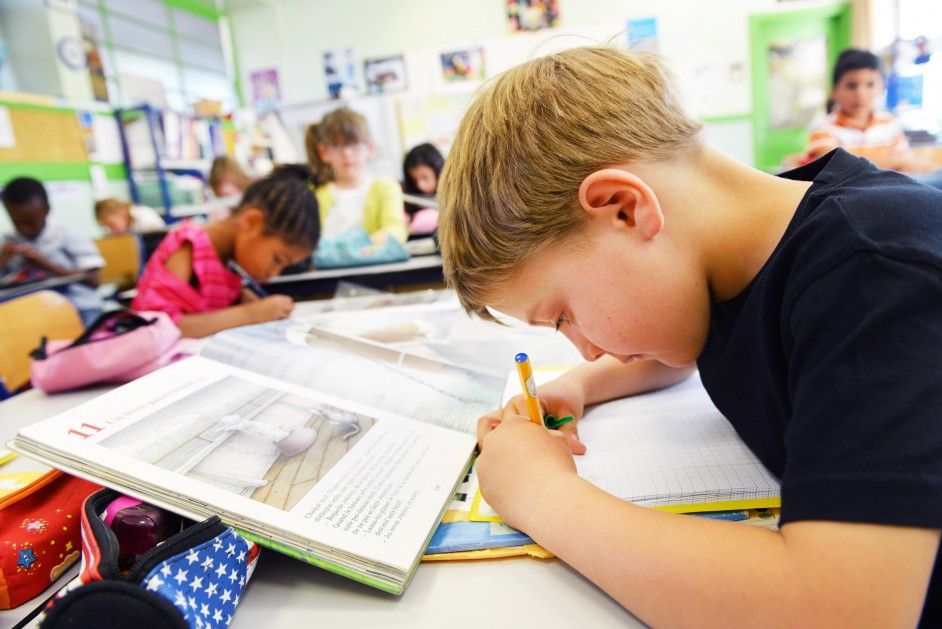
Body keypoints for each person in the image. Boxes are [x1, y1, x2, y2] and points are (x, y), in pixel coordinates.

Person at [437, 46, 941, 627]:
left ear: (624, 209)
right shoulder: (729, 259)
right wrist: (577, 387)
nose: (588, 348)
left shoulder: (876, 273)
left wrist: (540, 495)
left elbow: (840, 610)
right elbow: (689, 350)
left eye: (562, 315)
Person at [131, 169, 319, 338]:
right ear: (251, 223)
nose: (274, 274)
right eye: (277, 260)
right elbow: (161, 327)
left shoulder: (232, 260)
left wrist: (239, 300)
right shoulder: (190, 245)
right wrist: (250, 314)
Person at [804, 48, 942, 189]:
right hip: (848, 196)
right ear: (835, 92)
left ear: (882, 88)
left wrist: (902, 162)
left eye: (870, 84)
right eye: (851, 86)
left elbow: (907, 164)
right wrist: (894, 160)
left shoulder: (890, 123)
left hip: (891, 191)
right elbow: (834, 169)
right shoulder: (822, 128)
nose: (860, 93)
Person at [1, 176, 104, 326]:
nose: (25, 229)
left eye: (30, 222)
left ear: (47, 209)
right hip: (27, 314)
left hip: (78, 307)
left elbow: (94, 281)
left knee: (91, 335)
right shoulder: (6, 243)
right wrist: (2, 261)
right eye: (17, 222)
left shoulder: (68, 236)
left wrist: (46, 265)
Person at [304, 108, 407, 245]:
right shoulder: (316, 196)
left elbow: (395, 229)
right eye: (337, 145)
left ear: (369, 147)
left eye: (354, 143)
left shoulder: (386, 188)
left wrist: (362, 246)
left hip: (373, 258)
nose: (347, 153)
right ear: (324, 152)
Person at [402, 142, 443, 235]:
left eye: (425, 177)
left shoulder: (452, 195)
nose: (420, 185)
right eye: (414, 180)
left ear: (437, 171)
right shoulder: (409, 198)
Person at [94, 197, 166, 235]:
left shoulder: (143, 215)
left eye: (112, 224)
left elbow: (155, 236)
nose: (112, 230)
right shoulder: (119, 230)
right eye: (108, 227)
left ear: (121, 211)